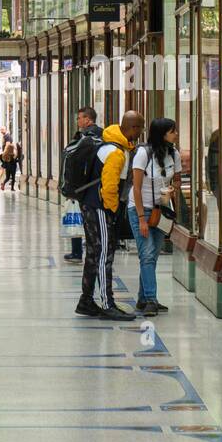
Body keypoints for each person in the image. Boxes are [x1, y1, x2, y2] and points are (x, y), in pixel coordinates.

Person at [76, 110, 144, 320]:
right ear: (132, 128)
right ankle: (107, 304)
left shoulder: (112, 145)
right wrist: (112, 212)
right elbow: (109, 188)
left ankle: (86, 300)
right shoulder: (115, 152)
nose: (140, 133)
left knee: (95, 254)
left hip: (91, 205)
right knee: (105, 254)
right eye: (139, 128)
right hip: (100, 208)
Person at [129, 118, 181, 315]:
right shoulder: (143, 153)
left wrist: (173, 188)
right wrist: (142, 218)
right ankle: (151, 299)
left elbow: (176, 177)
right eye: (172, 131)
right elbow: (136, 188)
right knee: (147, 254)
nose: (175, 134)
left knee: (152, 256)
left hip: (162, 210)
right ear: (161, 134)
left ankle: (143, 299)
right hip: (140, 209)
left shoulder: (173, 153)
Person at [62, 107, 102, 262]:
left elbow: (74, 161)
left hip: (82, 186)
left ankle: (78, 252)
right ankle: (96, 249)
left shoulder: (84, 137)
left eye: (79, 118)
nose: (77, 121)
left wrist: (69, 187)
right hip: (97, 184)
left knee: (79, 219)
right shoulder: (102, 135)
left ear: (88, 119)